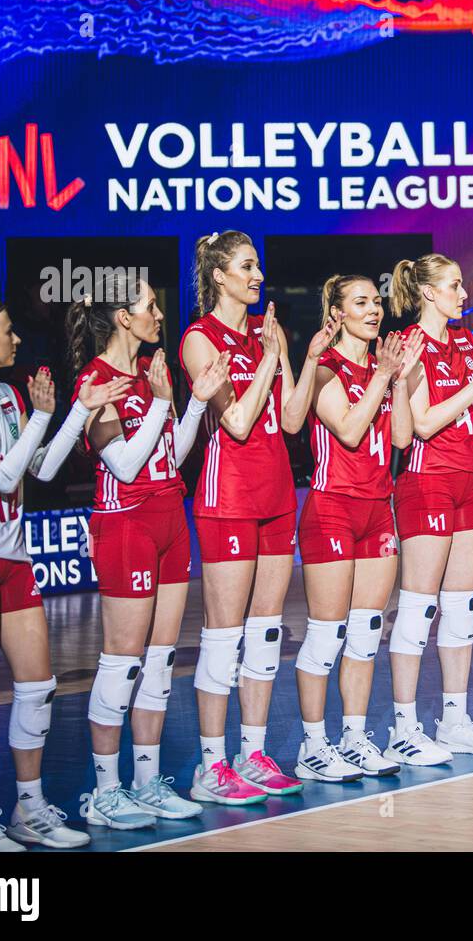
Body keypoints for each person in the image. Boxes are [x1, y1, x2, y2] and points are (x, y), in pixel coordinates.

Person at [0, 292, 130, 850]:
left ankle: (29, 809)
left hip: (13, 558)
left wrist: (78, 410)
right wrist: (43, 416)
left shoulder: (10, 399)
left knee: (38, 685)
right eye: (8, 332)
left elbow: (40, 467)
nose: (17, 339)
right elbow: (3, 478)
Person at [69, 277, 230, 828]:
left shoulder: (148, 376)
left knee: (160, 662)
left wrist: (191, 406)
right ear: (121, 317)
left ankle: (146, 781)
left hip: (169, 517)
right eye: (149, 306)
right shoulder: (97, 379)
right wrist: (165, 403)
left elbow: (170, 453)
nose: (158, 314)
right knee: (123, 660)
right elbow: (124, 466)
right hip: (126, 524)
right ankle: (105, 792)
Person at [179, 230, 320, 804]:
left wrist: (296, 356)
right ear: (218, 275)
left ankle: (253, 754)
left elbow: (289, 421)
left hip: (276, 492)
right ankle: (211, 767)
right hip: (229, 497)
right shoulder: (198, 339)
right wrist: (266, 358)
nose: (257, 275)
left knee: (265, 633)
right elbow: (235, 422)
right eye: (246, 265)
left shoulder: (267, 332)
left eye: (258, 265)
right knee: (223, 635)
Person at [387, 252, 473, 763]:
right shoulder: (411, 345)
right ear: (427, 292)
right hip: (427, 482)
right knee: (419, 608)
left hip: (471, 479)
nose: (464, 295)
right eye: (454, 285)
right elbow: (420, 425)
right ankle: (404, 726)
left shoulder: (465, 341)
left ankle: (454, 719)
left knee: (463, 606)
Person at [293, 275, 422, 780]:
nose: (374, 310)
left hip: (377, 510)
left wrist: (401, 379)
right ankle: (311, 745)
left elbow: (404, 436)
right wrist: (381, 378)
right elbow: (347, 430)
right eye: (361, 303)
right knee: (327, 635)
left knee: (366, 634)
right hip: (332, 510)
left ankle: (353, 737)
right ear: (337, 313)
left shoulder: (381, 369)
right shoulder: (326, 370)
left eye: (376, 301)